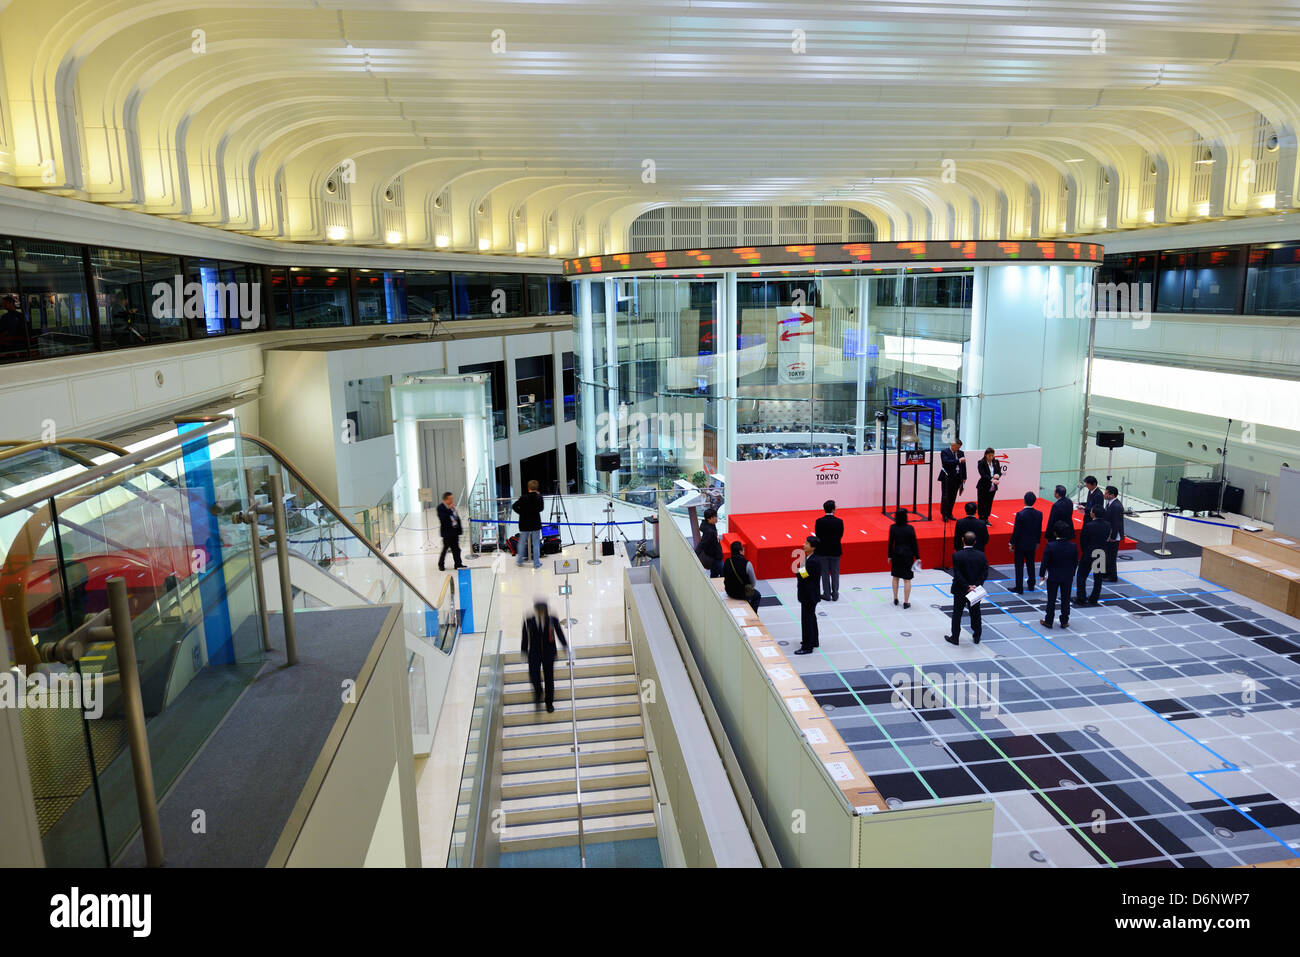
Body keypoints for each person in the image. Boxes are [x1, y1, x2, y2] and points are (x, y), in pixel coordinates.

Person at [520, 596, 569, 712]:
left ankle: (549, 702)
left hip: (549, 654)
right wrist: (523, 651)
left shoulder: (552, 619)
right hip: (534, 654)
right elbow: (525, 636)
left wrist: (565, 647)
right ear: (536, 609)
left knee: (549, 678)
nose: (541, 611)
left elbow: (559, 633)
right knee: (534, 676)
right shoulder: (529, 620)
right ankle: (538, 694)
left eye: (543, 609)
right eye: (539, 609)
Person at [946, 530, 988, 646]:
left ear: (962, 540)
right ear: (975, 542)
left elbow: (957, 574)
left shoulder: (957, 555)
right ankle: (977, 636)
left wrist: (966, 586)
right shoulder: (981, 555)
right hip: (975, 590)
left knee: (957, 613)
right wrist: (975, 585)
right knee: (975, 613)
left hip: (960, 589)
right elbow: (984, 573)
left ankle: (955, 637)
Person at [1040, 521, 1079, 630]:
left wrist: (1042, 574)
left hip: (1053, 576)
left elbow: (1045, 562)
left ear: (1055, 533)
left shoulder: (1051, 546)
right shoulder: (1073, 546)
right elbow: (1075, 562)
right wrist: (1072, 574)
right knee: (1066, 598)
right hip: (1067, 577)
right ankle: (1064, 621)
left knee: (1051, 599)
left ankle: (1049, 621)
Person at [793, 535, 822, 655]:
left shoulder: (813, 561)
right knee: (811, 617)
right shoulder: (810, 558)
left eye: (806, 543)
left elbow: (803, 575)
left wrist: (799, 571)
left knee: (806, 620)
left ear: (813, 547)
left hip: (808, 595)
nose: (804, 545)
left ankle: (807, 646)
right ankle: (814, 640)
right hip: (810, 594)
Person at [1076, 506, 1111, 606]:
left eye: (1091, 511)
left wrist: (1085, 552)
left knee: (1082, 576)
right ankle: (1094, 598)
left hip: (1089, 553)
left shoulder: (1088, 525)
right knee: (1098, 578)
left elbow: (1083, 541)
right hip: (1101, 553)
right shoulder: (1108, 525)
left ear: (1093, 514)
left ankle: (1081, 598)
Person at [1008, 491, 1043, 593]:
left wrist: (1011, 543)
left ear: (1024, 501)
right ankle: (1031, 585)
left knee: (1019, 566)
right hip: (1032, 543)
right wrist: (1037, 542)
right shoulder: (1039, 514)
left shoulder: (1020, 514)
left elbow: (1016, 531)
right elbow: (1038, 529)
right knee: (1030, 564)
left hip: (1020, 544)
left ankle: (1019, 587)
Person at [887, 509, 918, 608]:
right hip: (907, 556)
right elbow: (914, 544)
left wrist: (889, 556)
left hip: (896, 555)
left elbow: (890, 543)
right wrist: (918, 557)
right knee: (907, 580)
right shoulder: (910, 528)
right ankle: (906, 602)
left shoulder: (892, 528)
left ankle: (895, 598)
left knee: (895, 578)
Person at [814, 499, 844, 602]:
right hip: (835, 551)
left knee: (825, 573)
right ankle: (835, 594)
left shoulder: (819, 522)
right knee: (835, 573)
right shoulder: (839, 522)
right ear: (833, 509)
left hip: (823, 551)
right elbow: (840, 535)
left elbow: (818, 536)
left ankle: (826, 594)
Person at [512, 480, 545, 568]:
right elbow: (541, 508)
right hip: (535, 523)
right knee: (536, 543)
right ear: (536, 488)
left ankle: (519, 561)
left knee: (522, 543)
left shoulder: (523, 497)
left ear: (528, 488)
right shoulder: (539, 497)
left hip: (524, 523)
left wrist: (521, 512)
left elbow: (514, 506)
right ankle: (536, 563)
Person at [722, 541, 760, 613]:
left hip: (729, 591)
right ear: (740, 551)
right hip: (742, 593)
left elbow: (725, 576)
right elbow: (753, 583)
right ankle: (753, 613)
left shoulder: (727, 562)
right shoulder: (747, 564)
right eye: (743, 549)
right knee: (757, 595)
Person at [938, 440, 967, 522]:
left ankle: (950, 513)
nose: (958, 449)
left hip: (957, 478)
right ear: (953, 445)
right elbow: (946, 462)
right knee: (946, 496)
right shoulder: (945, 452)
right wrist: (958, 461)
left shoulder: (961, 453)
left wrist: (964, 477)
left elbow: (963, 465)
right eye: (957, 447)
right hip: (947, 478)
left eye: (959, 448)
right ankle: (944, 514)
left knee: (953, 496)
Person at [436, 491, 466, 571]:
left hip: (454, 532)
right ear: (446, 499)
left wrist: (459, 529)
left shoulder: (452, 507)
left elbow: (456, 517)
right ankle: (441, 564)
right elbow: (443, 519)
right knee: (445, 549)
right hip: (447, 533)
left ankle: (458, 564)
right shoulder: (440, 507)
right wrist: (449, 510)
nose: (452, 500)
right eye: (451, 498)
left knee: (456, 549)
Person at [1103, 485, 1125, 583]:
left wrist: (1112, 536)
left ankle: (1112, 576)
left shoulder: (1116, 506)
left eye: (1106, 493)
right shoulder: (1110, 504)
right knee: (1108, 555)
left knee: (1111, 556)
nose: (1104, 494)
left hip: (1113, 535)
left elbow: (1116, 523)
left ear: (1111, 495)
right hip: (1109, 533)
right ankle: (1107, 573)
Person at [695, 507, 724, 577]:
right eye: (715, 517)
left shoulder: (711, 525)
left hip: (714, 556)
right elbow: (703, 544)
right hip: (715, 557)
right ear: (709, 519)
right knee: (723, 573)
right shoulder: (709, 531)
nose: (716, 518)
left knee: (714, 573)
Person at [975, 447, 1001, 523]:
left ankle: (986, 517)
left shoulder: (996, 462)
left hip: (993, 486)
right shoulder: (981, 462)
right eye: (989, 455)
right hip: (983, 486)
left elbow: (999, 472)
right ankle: (981, 517)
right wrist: (991, 479)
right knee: (982, 502)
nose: (991, 457)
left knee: (989, 502)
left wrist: (998, 475)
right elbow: (983, 474)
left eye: (992, 455)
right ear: (986, 455)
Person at [0, 295, 30, 360]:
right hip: (10, 344)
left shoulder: (19, 316)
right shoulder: (6, 316)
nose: (3, 305)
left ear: (11, 303)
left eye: (5, 303)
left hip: (16, 345)